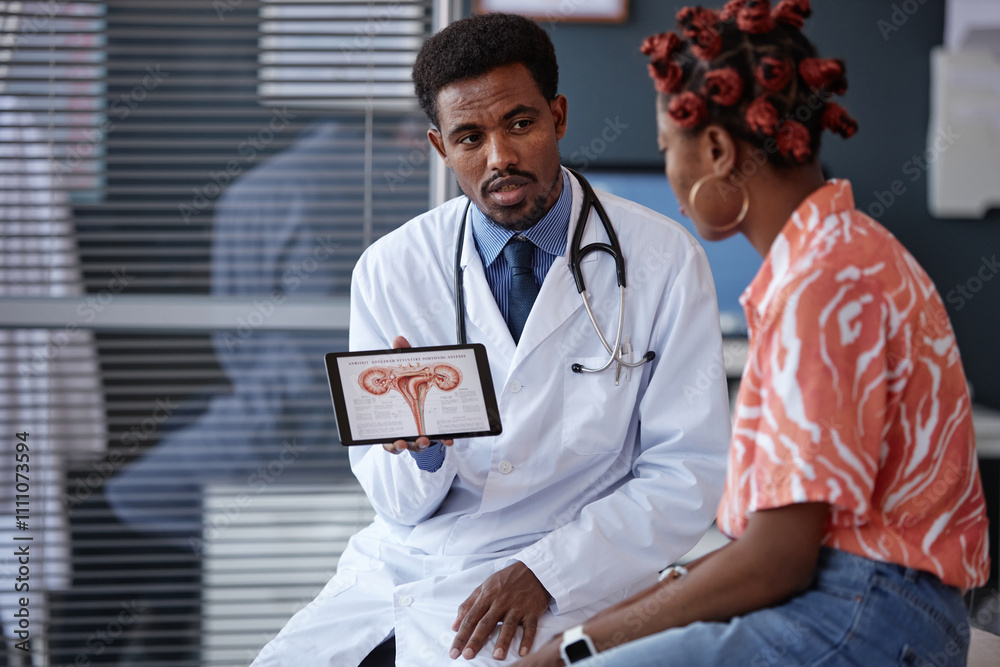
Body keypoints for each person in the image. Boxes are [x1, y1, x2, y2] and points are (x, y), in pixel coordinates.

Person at [513, 2, 991, 665]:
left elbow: (776, 562)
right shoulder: (842, 252)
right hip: (869, 602)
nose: (672, 182)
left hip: (865, 614)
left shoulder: (824, 283)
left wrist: (576, 646)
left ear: (715, 149)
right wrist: (601, 626)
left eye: (667, 151)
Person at [252, 12, 732, 667]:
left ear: (558, 116)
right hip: (399, 571)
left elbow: (684, 474)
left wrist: (545, 572)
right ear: (439, 146)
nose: (499, 157)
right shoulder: (393, 269)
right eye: (470, 136)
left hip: (570, 571)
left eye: (520, 123)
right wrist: (420, 455)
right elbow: (392, 498)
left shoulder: (661, 260)